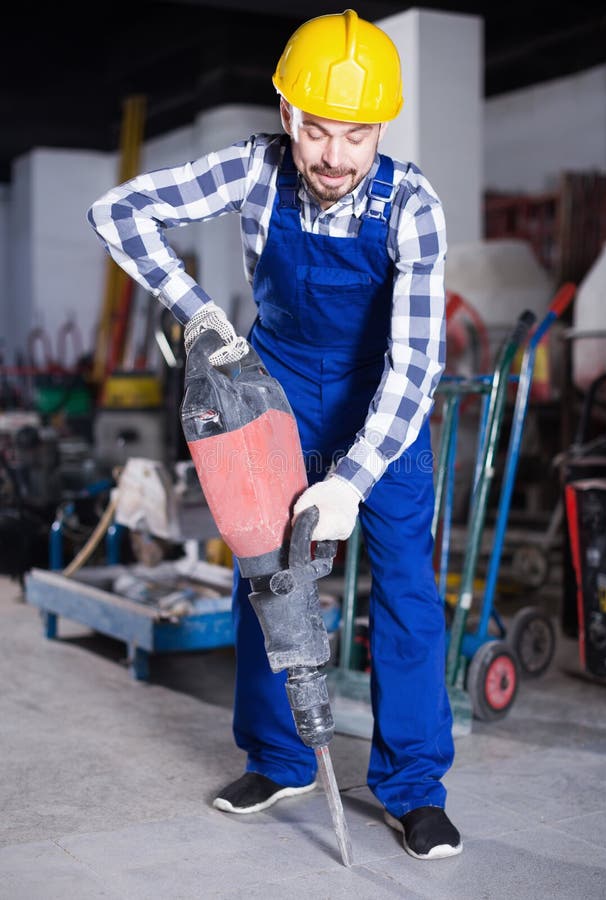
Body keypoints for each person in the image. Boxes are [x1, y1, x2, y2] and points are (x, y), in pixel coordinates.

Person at [88, 9, 461, 861]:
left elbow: (414, 366)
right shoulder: (255, 170)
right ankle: (280, 757)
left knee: (404, 586)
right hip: (277, 387)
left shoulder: (413, 206)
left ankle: (413, 790)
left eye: (358, 135)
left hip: (382, 398)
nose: (335, 157)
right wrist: (200, 314)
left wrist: (352, 480)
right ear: (287, 114)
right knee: (266, 573)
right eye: (318, 131)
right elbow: (119, 212)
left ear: (381, 130)